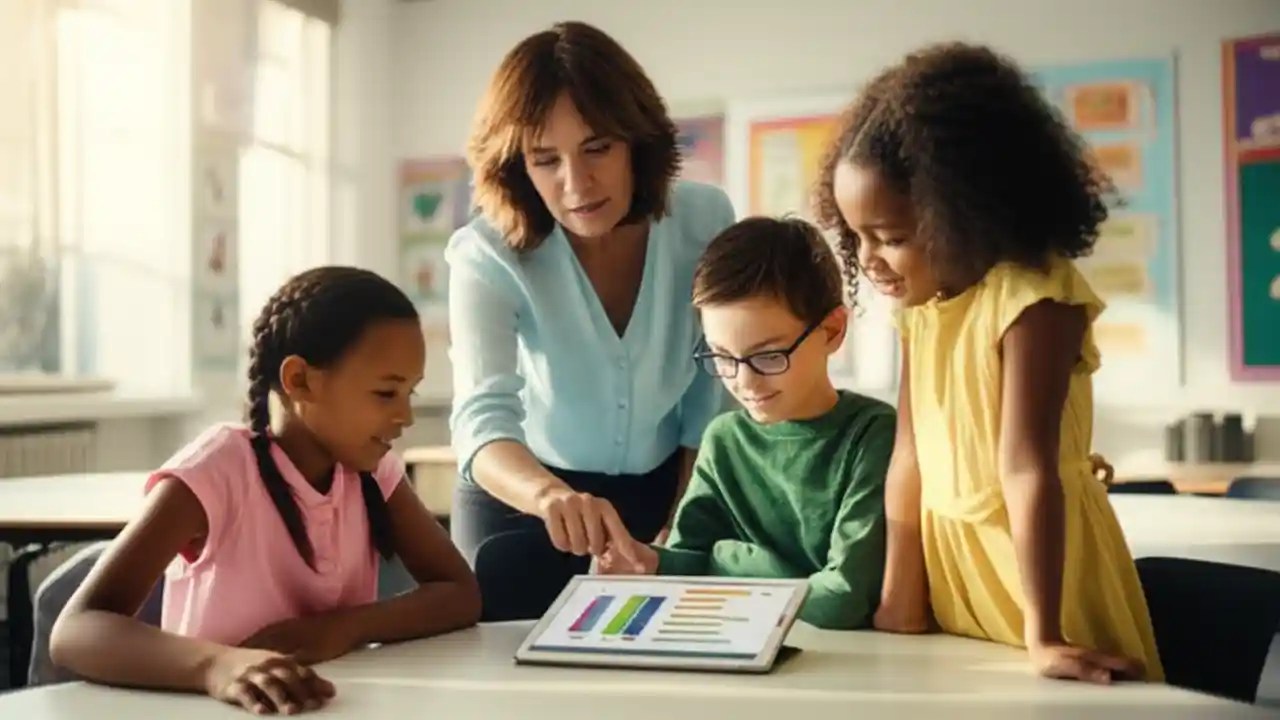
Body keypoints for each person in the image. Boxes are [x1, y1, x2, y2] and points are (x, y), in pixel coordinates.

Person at [813, 42, 1162, 683]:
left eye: (890, 237)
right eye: (855, 235)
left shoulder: (1033, 301)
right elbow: (910, 458)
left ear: (966, 213)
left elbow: (1027, 468)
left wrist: (1045, 634)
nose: (867, 259)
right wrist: (899, 597)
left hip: (1044, 583)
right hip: (960, 576)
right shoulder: (921, 310)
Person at [50, 267, 482, 714]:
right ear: (299, 380)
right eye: (386, 393)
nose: (406, 417)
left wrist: (341, 628)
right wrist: (217, 666)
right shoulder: (218, 469)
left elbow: (459, 592)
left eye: (411, 393)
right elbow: (77, 629)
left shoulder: (373, 472)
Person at [447, 20, 735, 619]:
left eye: (598, 148)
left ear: (637, 141)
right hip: (525, 498)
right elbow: (481, 419)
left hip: (668, 487)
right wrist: (549, 496)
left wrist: (684, 518)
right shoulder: (485, 253)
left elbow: (708, 396)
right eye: (545, 159)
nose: (576, 184)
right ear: (517, 166)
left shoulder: (705, 220)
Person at [597, 217, 894, 631]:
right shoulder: (724, 440)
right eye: (722, 357)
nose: (744, 382)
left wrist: (730, 560)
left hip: (840, 659)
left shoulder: (871, 434)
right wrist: (651, 562)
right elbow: (690, 567)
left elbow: (842, 600)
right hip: (734, 645)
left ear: (831, 331)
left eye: (768, 356)